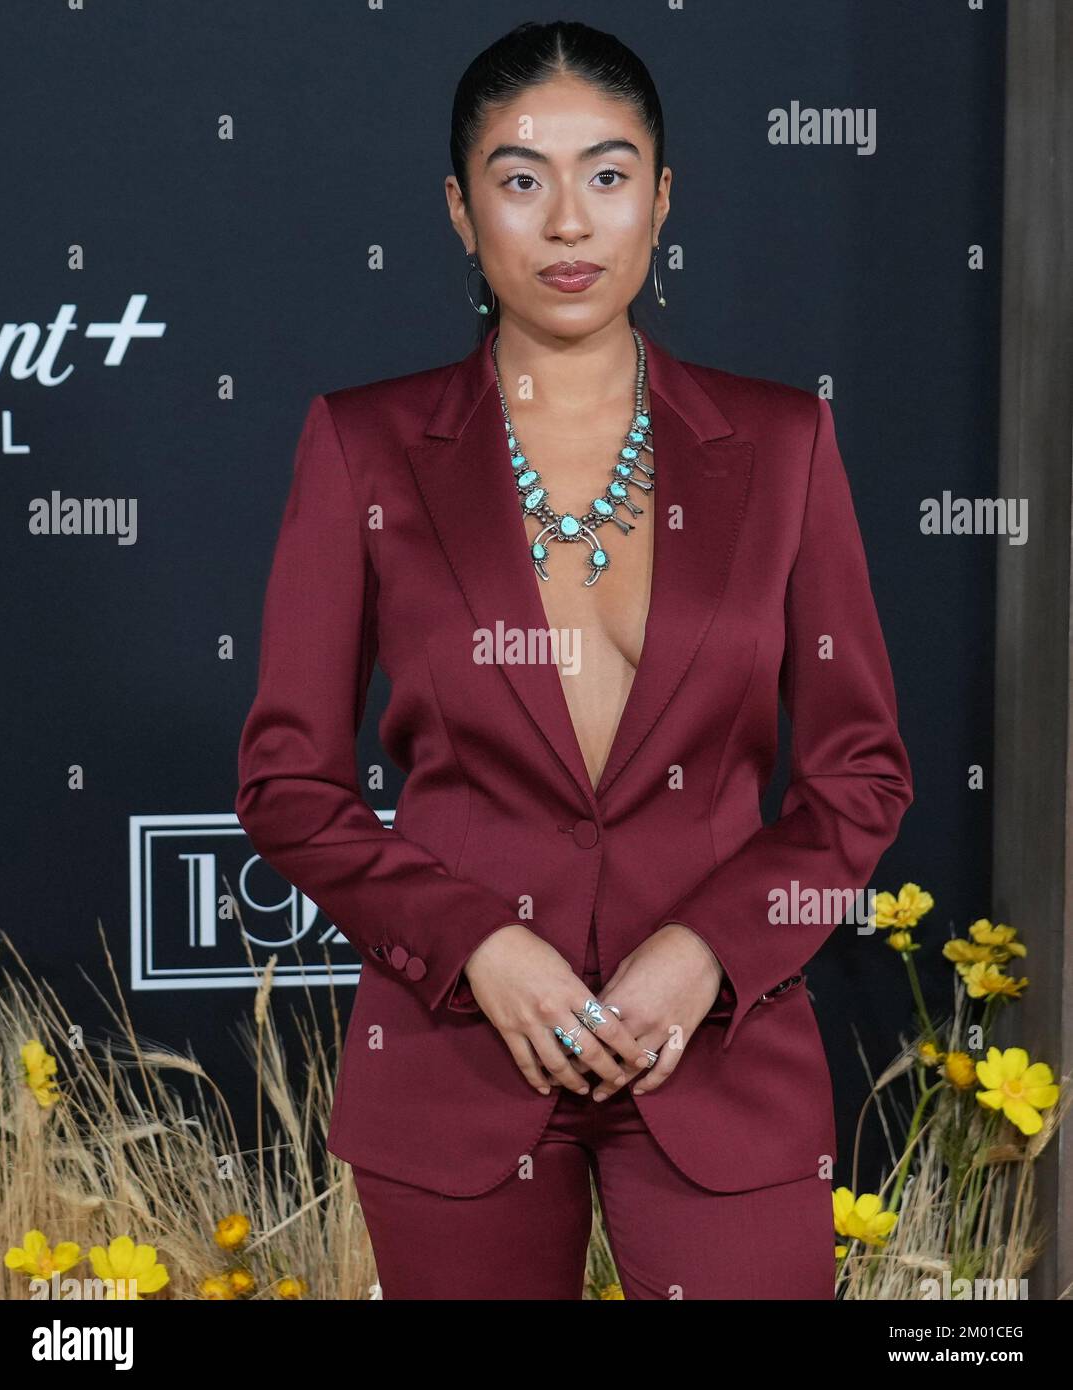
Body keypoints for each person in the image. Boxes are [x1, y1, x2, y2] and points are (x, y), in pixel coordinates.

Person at [234, 20, 913, 1300]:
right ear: (457, 206)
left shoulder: (780, 445)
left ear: (660, 200)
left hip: (721, 1061)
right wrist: (480, 946)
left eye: (606, 175)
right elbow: (287, 781)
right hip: (456, 1063)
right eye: (517, 176)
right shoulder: (362, 446)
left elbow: (857, 773)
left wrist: (706, 949)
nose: (565, 223)